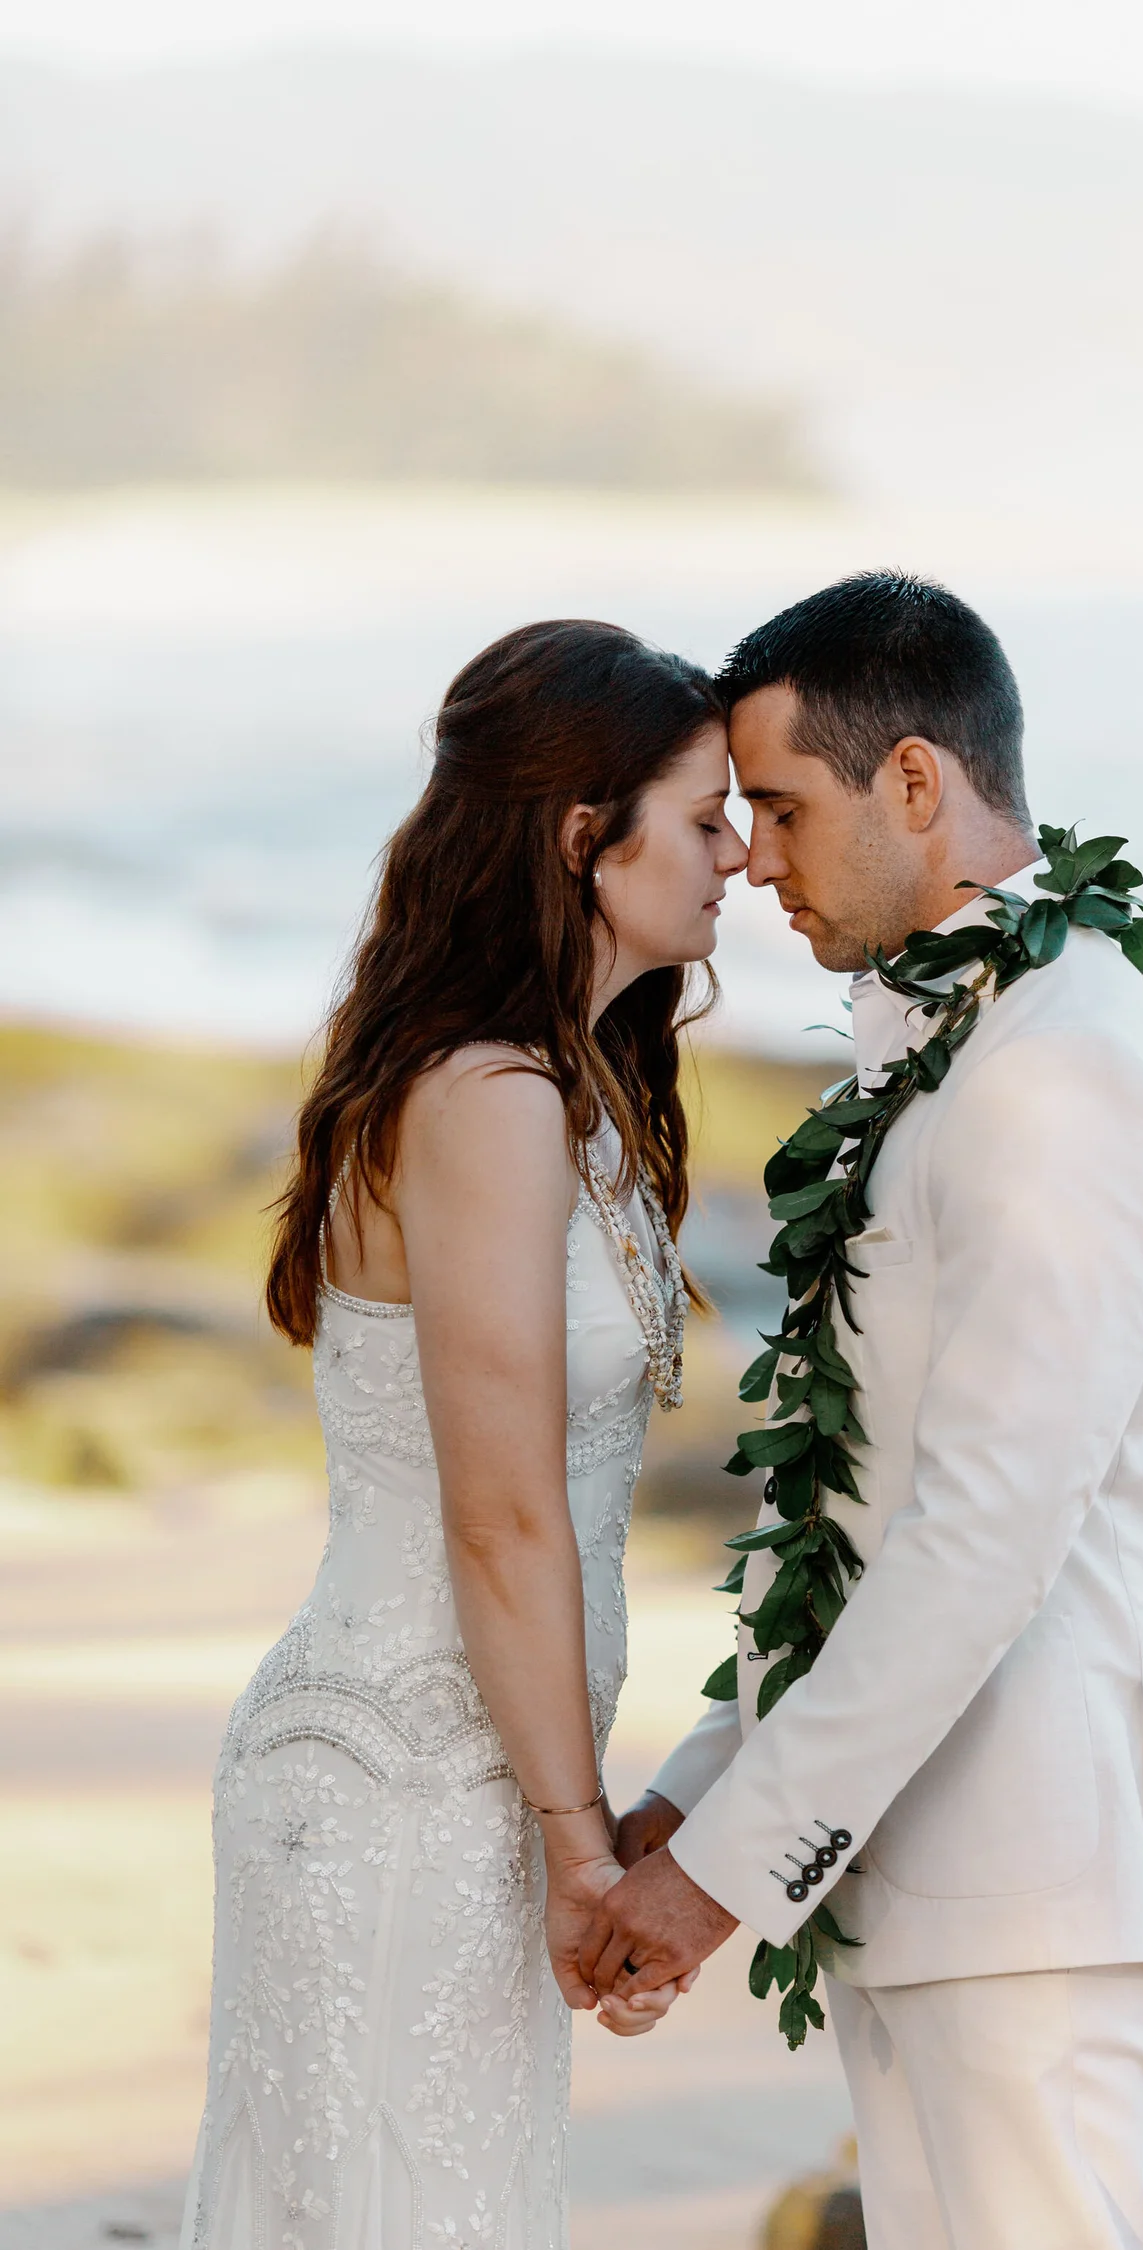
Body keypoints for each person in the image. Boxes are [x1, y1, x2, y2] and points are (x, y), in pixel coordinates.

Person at [579, 572, 1143, 2250]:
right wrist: (693, 1793)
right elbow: (851, 1530)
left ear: (920, 783)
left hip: (1039, 1883)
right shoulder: (961, 1046)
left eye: (786, 809)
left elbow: (981, 1540)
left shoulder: (1059, 1066)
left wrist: (720, 1870)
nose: (760, 862)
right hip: (934, 1881)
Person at [180, 619, 748, 2249]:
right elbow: (501, 1517)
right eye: (702, 813)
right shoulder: (486, 1094)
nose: (736, 852)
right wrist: (586, 1851)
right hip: (392, 1777)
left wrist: (573, 1814)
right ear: (586, 835)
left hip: (493, 1778)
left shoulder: (570, 1084)